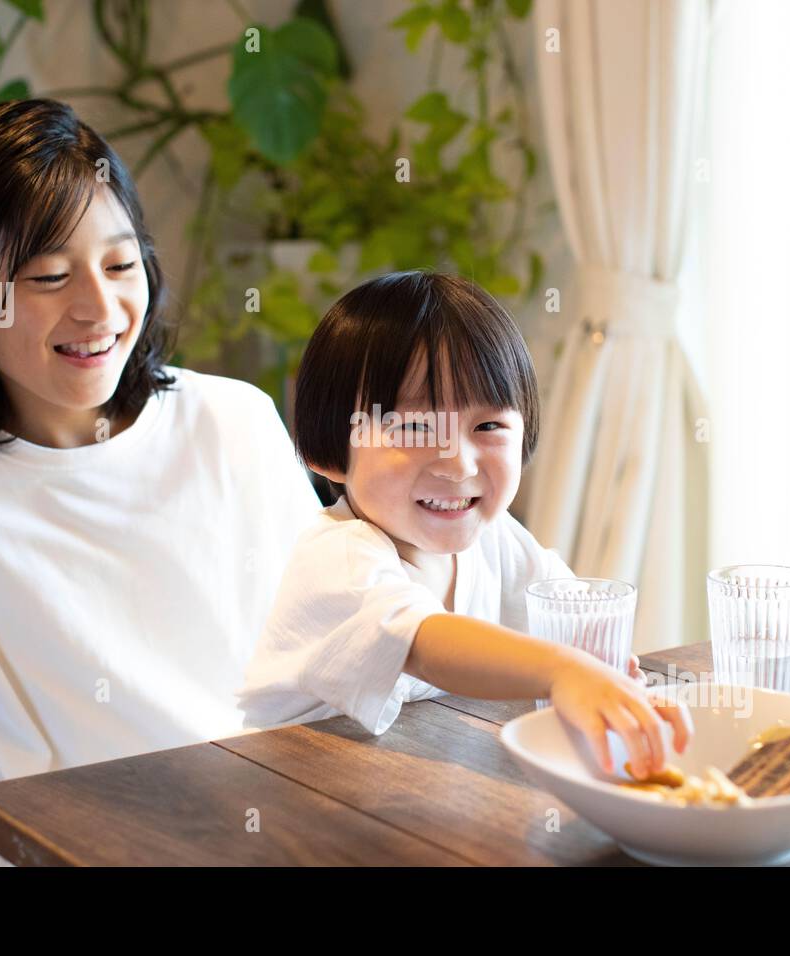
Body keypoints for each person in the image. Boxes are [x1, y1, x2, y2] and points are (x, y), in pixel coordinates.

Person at [0, 99, 320, 866]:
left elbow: (330, 630)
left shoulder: (234, 422)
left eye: (121, 265)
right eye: (50, 276)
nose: (99, 307)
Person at [237, 271, 692, 778]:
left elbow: (564, 610)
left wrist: (606, 672)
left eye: (488, 426)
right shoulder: (340, 556)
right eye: (412, 427)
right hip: (295, 797)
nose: (458, 464)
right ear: (331, 452)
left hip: (410, 788)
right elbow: (426, 645)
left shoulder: (494, 538)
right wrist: (564, 670)